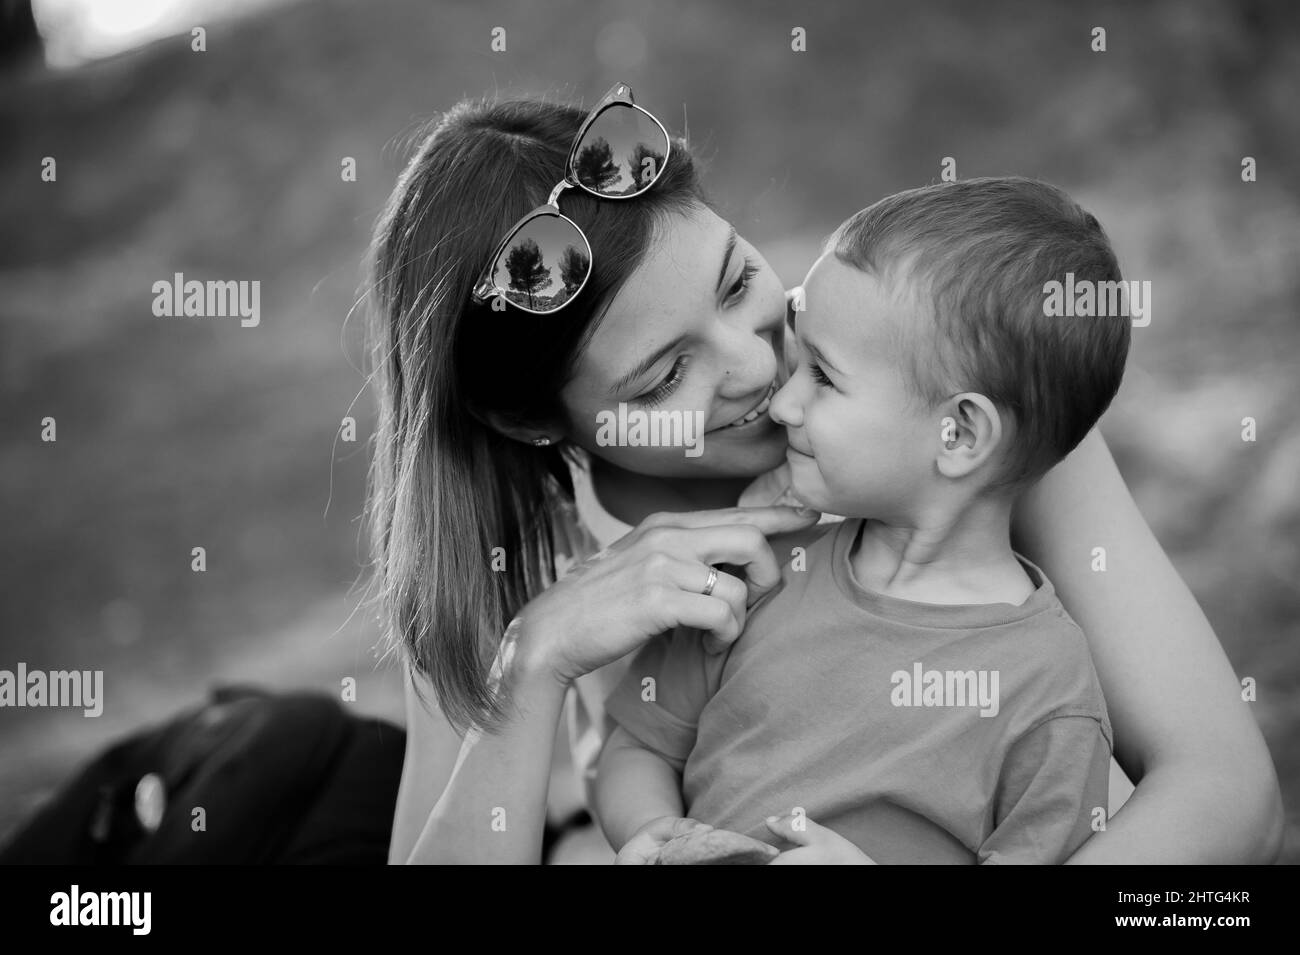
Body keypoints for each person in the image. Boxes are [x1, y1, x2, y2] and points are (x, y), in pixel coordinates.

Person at [363, 87, 1283, 864]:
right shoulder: (496, 564)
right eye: (664, 376)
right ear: (532, 422)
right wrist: (535, 661)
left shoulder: (946, 382)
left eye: (735, 283)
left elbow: (1230, 793)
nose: (760, 369)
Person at [596, 177, 1138, 864]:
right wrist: (648, 829)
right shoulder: (760, 569)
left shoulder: (1050, 691)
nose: (782, 399)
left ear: (959, 434)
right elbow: (641, 740)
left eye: (822, 376)